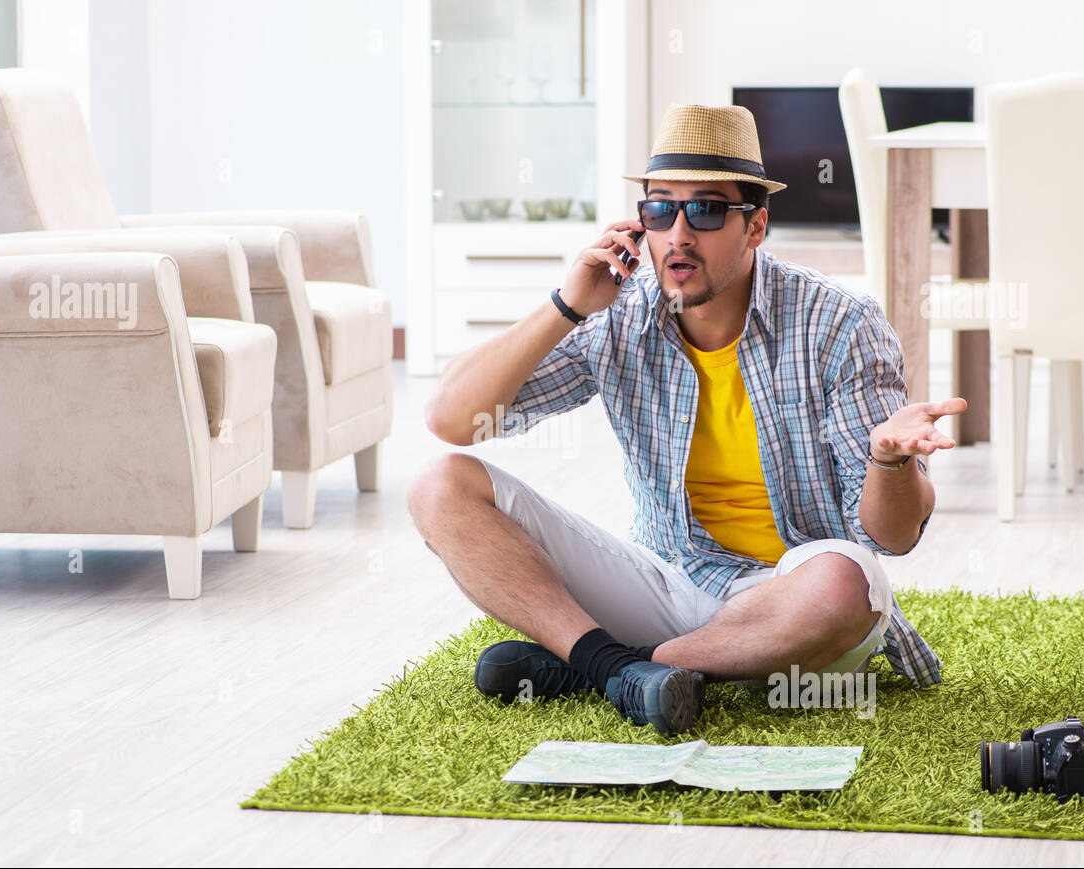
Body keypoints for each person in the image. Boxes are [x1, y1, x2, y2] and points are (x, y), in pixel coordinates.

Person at [408, 103, 965, 735]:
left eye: (704, 209)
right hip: (665, 581)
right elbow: (453, 419)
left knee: (844, 580)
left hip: (791, 599)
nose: (678, 234)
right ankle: (632, 668)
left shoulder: (839, 324)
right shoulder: (618, 313)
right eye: (658, 208)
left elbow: (891, 537)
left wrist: (888, 463)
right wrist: (566, 304)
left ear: (755, 227)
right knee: (439, 483)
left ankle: (606, 667)